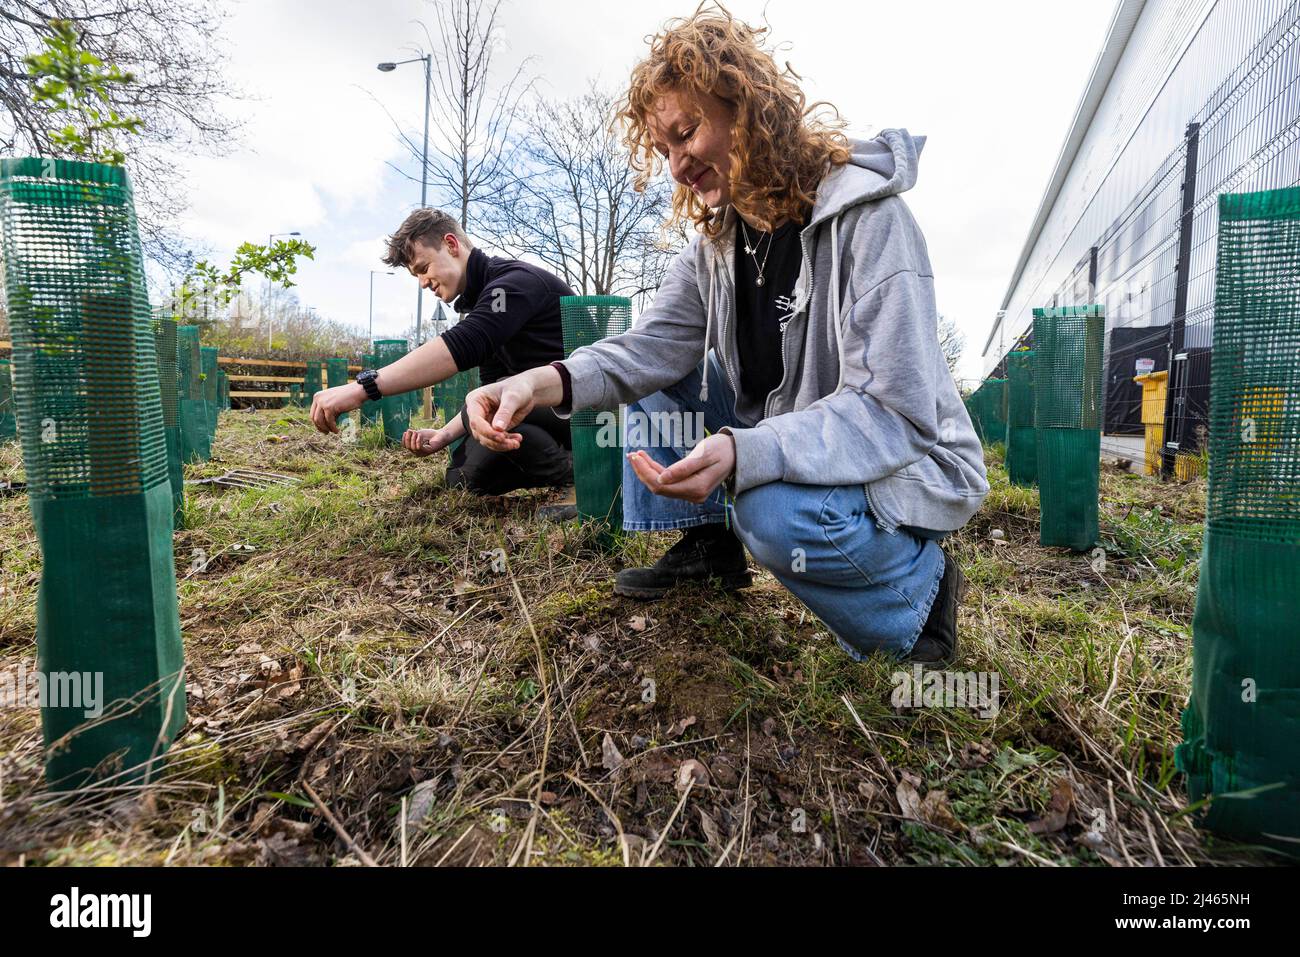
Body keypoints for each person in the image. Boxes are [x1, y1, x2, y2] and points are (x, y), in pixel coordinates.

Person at [465, 5, 989, 664]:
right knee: (663, 373)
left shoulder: (871, 219)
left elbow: (894, 411)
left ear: (748, 106)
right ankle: (706, 548)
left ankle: (919, 604)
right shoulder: (720, 241)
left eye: (686, 133)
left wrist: (746, 451)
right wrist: (543, 381)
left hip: (903, 456)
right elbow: (648, 348)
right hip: (796, 430)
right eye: (663, 151)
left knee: (771, 516)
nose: (678, 166)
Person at [309, 208, 576, 496]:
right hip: (527, 408)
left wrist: (365, 387)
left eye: (424, 269)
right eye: (416, 276)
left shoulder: (513, 284)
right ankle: (566, 469)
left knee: (494, 434)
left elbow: (465, 343)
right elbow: (490, 393)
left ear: (451, 245)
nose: (423, 282)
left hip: (580, 411)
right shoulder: (484, 301)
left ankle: (584, 473)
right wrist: (443, 435)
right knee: (464, 476)